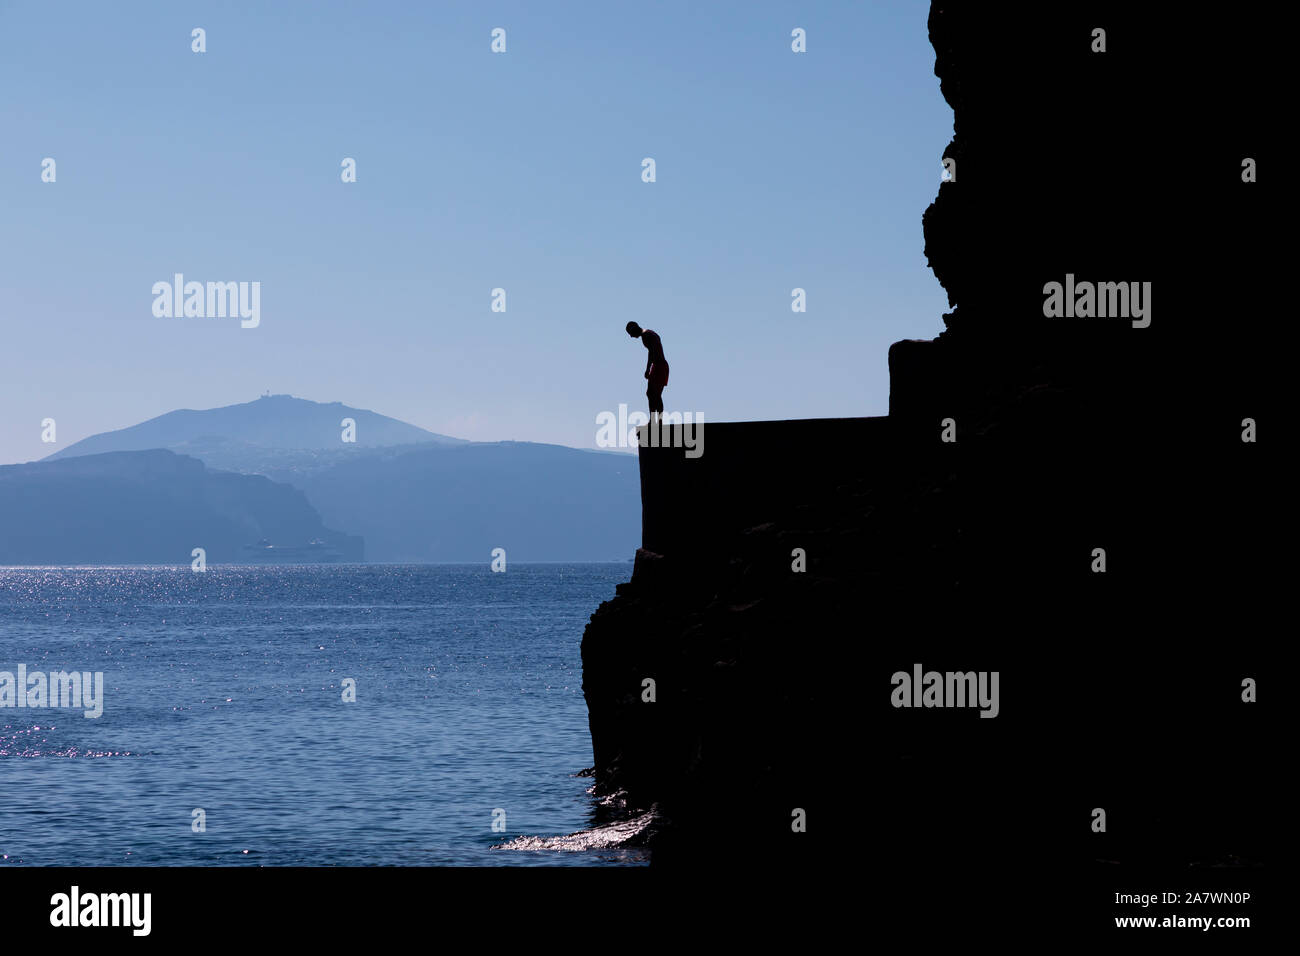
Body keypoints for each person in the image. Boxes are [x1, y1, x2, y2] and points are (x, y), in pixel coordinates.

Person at [625, 322, 669, 420]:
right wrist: (648, 368)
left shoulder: (647, 335)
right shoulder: (646, 335)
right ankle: (653, 420)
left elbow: (653, 352)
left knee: (656, 394)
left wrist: (648, 368)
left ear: (635, 329)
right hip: (657, 366)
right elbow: (651, 352)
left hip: (660, 366)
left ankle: (659, 420)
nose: (631, 336)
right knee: (650, 393)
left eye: (631, 333)